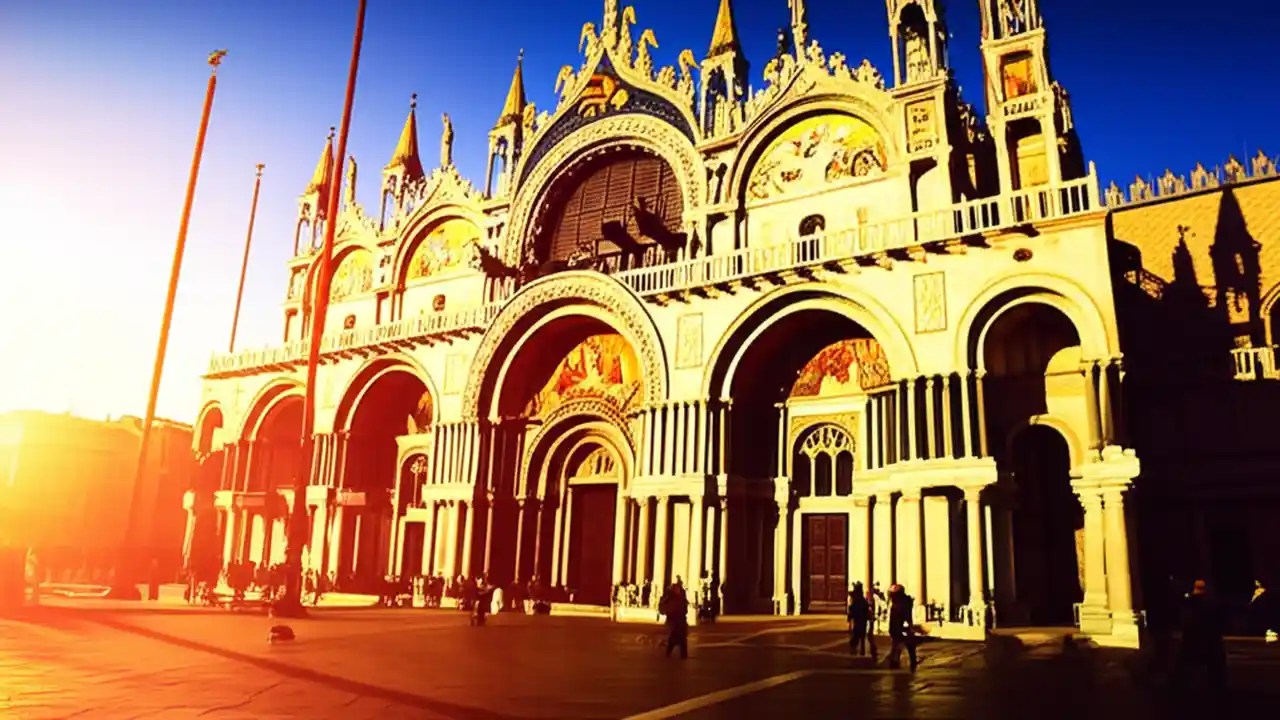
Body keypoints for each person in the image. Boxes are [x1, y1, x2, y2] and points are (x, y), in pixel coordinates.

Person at [1174, 579, 1226, 693]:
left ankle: (1184, 687)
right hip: (1210, 639)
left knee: (1187, 664)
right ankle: (1215, 688)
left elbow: (1185, 620)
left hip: (1194, 638)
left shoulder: (1189, 603)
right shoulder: (1212, 604)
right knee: (1214, 666)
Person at [886, 584, 918, 670]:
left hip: (901, 628)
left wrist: (907, 627)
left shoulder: (902, 604)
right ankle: (895, 661)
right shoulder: (898, 603)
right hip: (897, 628)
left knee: (906, 645)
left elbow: (906, 617)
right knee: (898, 645)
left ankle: (899, 661)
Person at [660, 578, 689, 659]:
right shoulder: (670, 597)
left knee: (681, 638)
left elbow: (684, 607)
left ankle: (682, 654)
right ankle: (672, 652)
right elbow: (663, 606)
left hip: (680, 619)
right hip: (673, 619)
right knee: (674, 637)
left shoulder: (681, 597)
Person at [847, 582, 873, 657]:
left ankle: (857, 650)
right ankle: (861, 650)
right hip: (861, 620)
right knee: (861, 636)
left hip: (859, 620)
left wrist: (850, 617)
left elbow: (853, 609)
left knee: (857, 635)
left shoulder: (859, 600)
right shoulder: (861, 600)